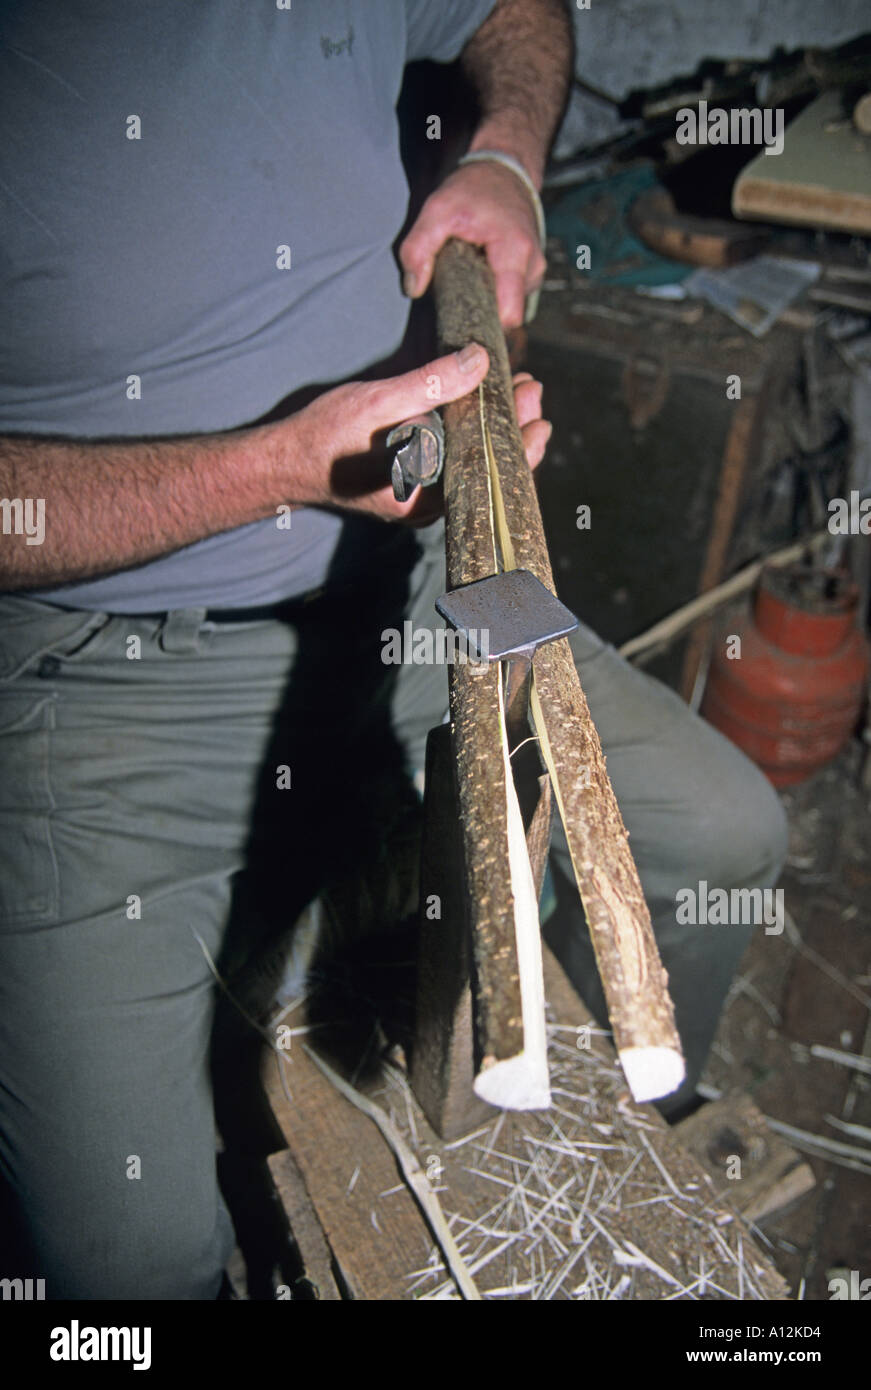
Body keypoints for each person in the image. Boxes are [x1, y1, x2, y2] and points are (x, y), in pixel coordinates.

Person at [0, 1, 786, 1299]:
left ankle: (579, 1160)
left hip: (418, 577)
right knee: (121, 1259)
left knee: (725, 829)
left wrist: (510, 156)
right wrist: (273, 469)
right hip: (106, 673)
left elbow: (514, 14)